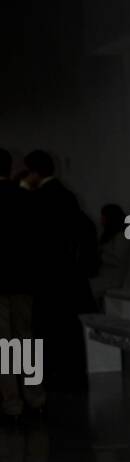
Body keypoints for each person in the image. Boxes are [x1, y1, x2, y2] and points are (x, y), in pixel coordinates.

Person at [21, 149, 95, 389]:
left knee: (44, 328)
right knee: (67, 327)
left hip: (44, 275)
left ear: (33, 172)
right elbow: (85, 230)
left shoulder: (36, 198)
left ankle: (47, 375)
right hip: (68, 274)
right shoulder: (68, 196)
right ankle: (72, 374)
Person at [0, 147, 44, 421]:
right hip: (24, 281)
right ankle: (35, 396)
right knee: (26, 339)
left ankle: (12, 402)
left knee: (4, 343)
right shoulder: (26, 198)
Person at [89, 204, 130, 307]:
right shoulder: (108, 235)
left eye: (103, 217)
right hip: (103, 277)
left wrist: (100, 256)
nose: (101, 219)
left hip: (112, 280)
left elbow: (118, 259)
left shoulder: (121, 236)